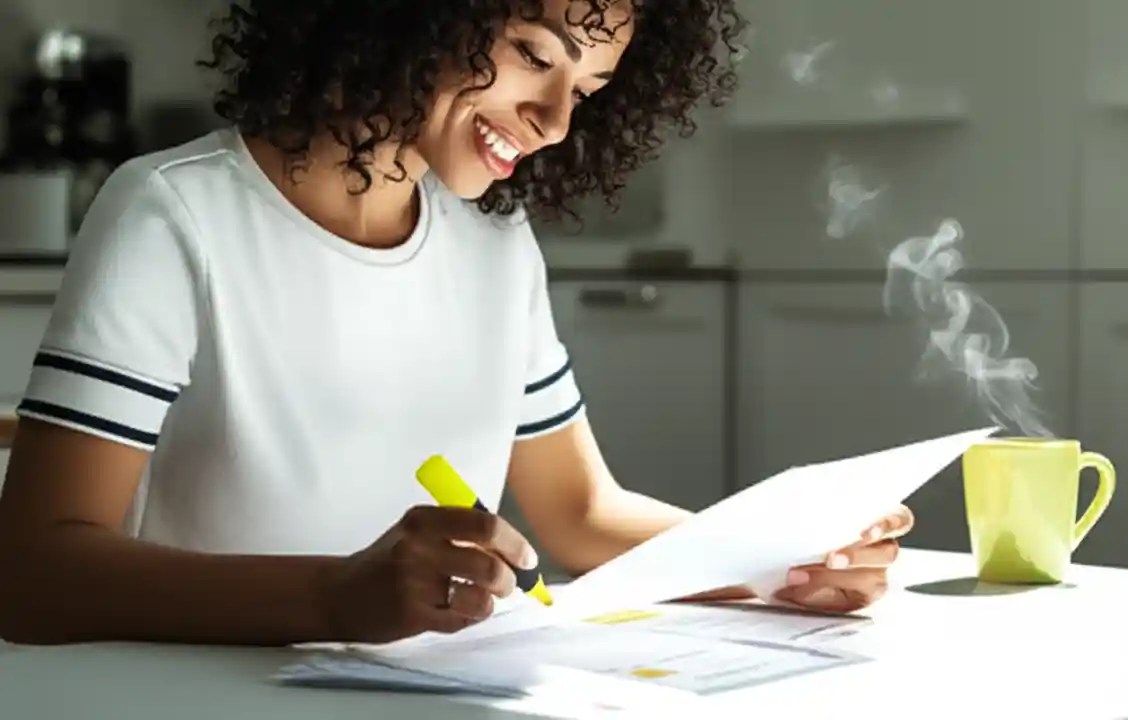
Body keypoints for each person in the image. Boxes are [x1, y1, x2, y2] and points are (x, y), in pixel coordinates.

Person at [0, 0, 914, 646]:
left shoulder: (495, 242)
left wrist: (783, 562)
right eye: (534, 54)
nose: (555, 122)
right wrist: (335, 597)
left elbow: (581, 512)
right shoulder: (173, 213)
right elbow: (32, 575)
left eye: (587, 90)